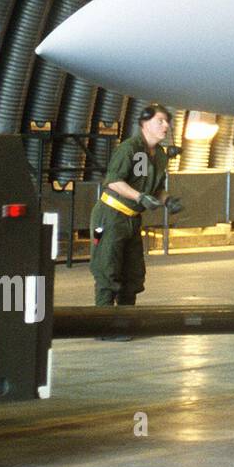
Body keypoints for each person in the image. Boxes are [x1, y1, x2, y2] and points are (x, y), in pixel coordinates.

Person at [89, 104, 182, 316]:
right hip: (109, 218)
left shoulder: (158, 155)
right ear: (144, 124)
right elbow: (113, 181)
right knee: (107, 269)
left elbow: (155, 188)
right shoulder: (129, 149)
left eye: (167, 121)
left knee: (133, 273)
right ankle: (104, 323)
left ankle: (124, 320)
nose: (166, 125)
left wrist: (168, 200)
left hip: (131, 220)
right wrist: (139, 197)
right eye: (160, 121)